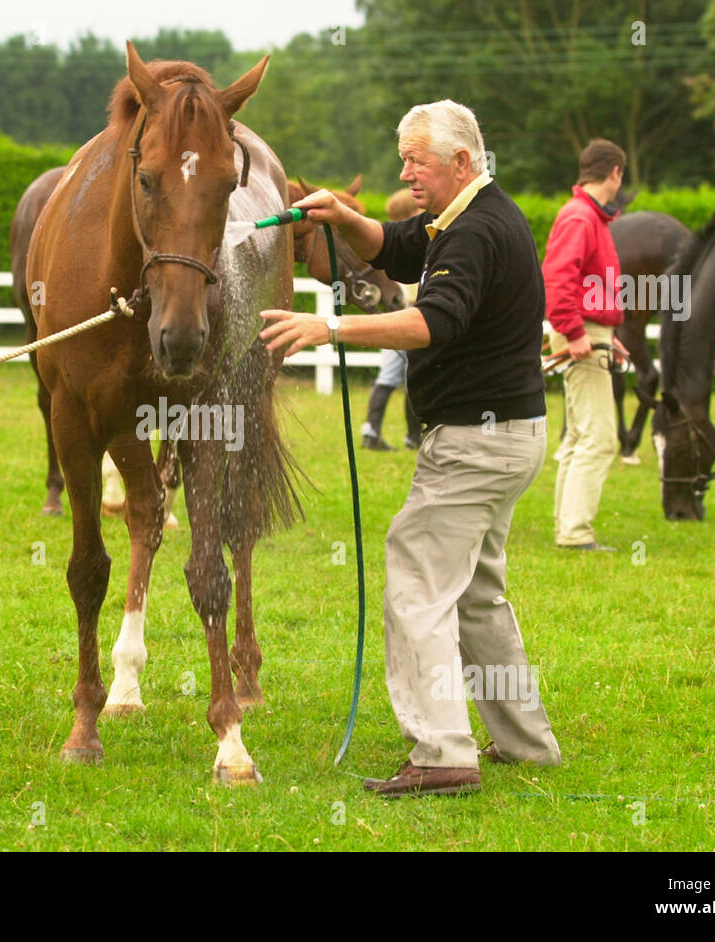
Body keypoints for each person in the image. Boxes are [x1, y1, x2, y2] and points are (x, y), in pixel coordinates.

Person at [260, 99, 561, 797]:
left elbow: (436, 320)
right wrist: (343, 220)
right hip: (510, 435)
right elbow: (397, 246)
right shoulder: (467, 215)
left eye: (414, 160)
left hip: (476, 444)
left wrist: (328, 329)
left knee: (417, 580)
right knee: (478, 594)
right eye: (403, 158)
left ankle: (441, 752)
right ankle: (525, 741)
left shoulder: (477, 231)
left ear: (460, 162)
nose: (405, 171)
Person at [543, 139, 627, 551]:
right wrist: (576, 333)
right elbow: (558, 277)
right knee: (599, 437)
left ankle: (569, 527)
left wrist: (608, 338)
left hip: (592, 333)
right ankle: (575, 534)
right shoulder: (581, 218)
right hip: (581, 333)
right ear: (615, 173)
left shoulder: (586, 216)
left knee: (579, 434)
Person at [361, 188, 424, 451]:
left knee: (398, 377)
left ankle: (380, 432)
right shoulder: (409, 243)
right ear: (409, 214)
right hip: (407, 314)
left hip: (400, 314)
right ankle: (399, 435)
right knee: (403, 377)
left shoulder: (396, 244)